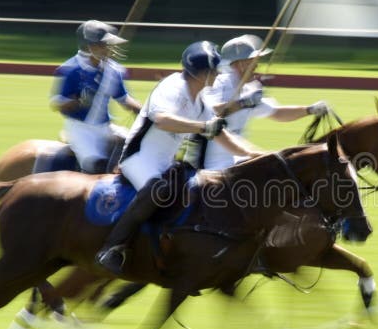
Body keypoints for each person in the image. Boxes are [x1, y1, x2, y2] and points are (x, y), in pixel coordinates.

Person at [96, 41, 260, 275]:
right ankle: (111, 248)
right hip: (139, 157)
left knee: (196, 191)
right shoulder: (172, 87)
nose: (217, 74)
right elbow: (162, 120)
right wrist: (203, 126)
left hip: (167, 162)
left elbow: (219, 134)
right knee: (156, 189)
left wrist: (253, 153)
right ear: (201, 73)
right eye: (214, 70)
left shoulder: (200, 99)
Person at [203, 34, 330, 171]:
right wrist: (244, 103)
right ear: (240, 64)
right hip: (214, 167)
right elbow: (214, 110)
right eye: (253, 60)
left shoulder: (249, 89)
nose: (257, 64)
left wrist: (310, 109)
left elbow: (277, 113)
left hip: (240, 160)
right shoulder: (219, 83)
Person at [50, 20, 142, 174]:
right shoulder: (71, 69)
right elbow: (56, 103)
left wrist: (144, 110)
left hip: (105, 127)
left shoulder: (114, 70)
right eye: (105, 45)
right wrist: (78, 101)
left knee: (137, 148)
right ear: (90, 46)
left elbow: (123, 98)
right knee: (95, 167)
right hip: (80, 130)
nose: (110, 49)